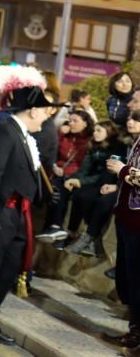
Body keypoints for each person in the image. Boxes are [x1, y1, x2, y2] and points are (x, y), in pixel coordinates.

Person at [0, 65, 55, 355]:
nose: (47, 116)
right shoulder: (3, 131)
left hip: (20, 215)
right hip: (2, 211)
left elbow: (27, 172)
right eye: (44, 111)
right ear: (31, 110)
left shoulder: (26, 135)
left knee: (8, 271)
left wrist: (43, 194)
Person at [64, 120, 126, 258]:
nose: (94, 133)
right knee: (80, 195)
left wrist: (115, 186)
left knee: (100, 200)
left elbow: (108, 173)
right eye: (95, 130)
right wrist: (75, 179)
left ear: (108, 133)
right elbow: (86, 168)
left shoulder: (118, 146)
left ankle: (90, 237)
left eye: (99, 131)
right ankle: (74, 234)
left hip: (118, 185)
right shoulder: (94, 146)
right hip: (103, 182)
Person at [105, 111, 140, 354]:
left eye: (137, 118)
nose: (131, 121)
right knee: (128, 278)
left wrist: (122, 170)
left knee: (137, 279)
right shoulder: (136, 141)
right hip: (127, 216)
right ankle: (134, 330)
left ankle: (137, 334)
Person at [37, 109, 95, 242]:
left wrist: (66, 172)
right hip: (58, 171)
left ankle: (55, 226)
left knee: (59, 189)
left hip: (76, 174)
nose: (71, 124)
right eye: (70, 120)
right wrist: (60, 134)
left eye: (75, 121)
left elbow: (84, 164)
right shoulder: (65, 135)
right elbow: (51, 150)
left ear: (86, 124)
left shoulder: (89, 140)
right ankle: (52, 227)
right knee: (53, 188)